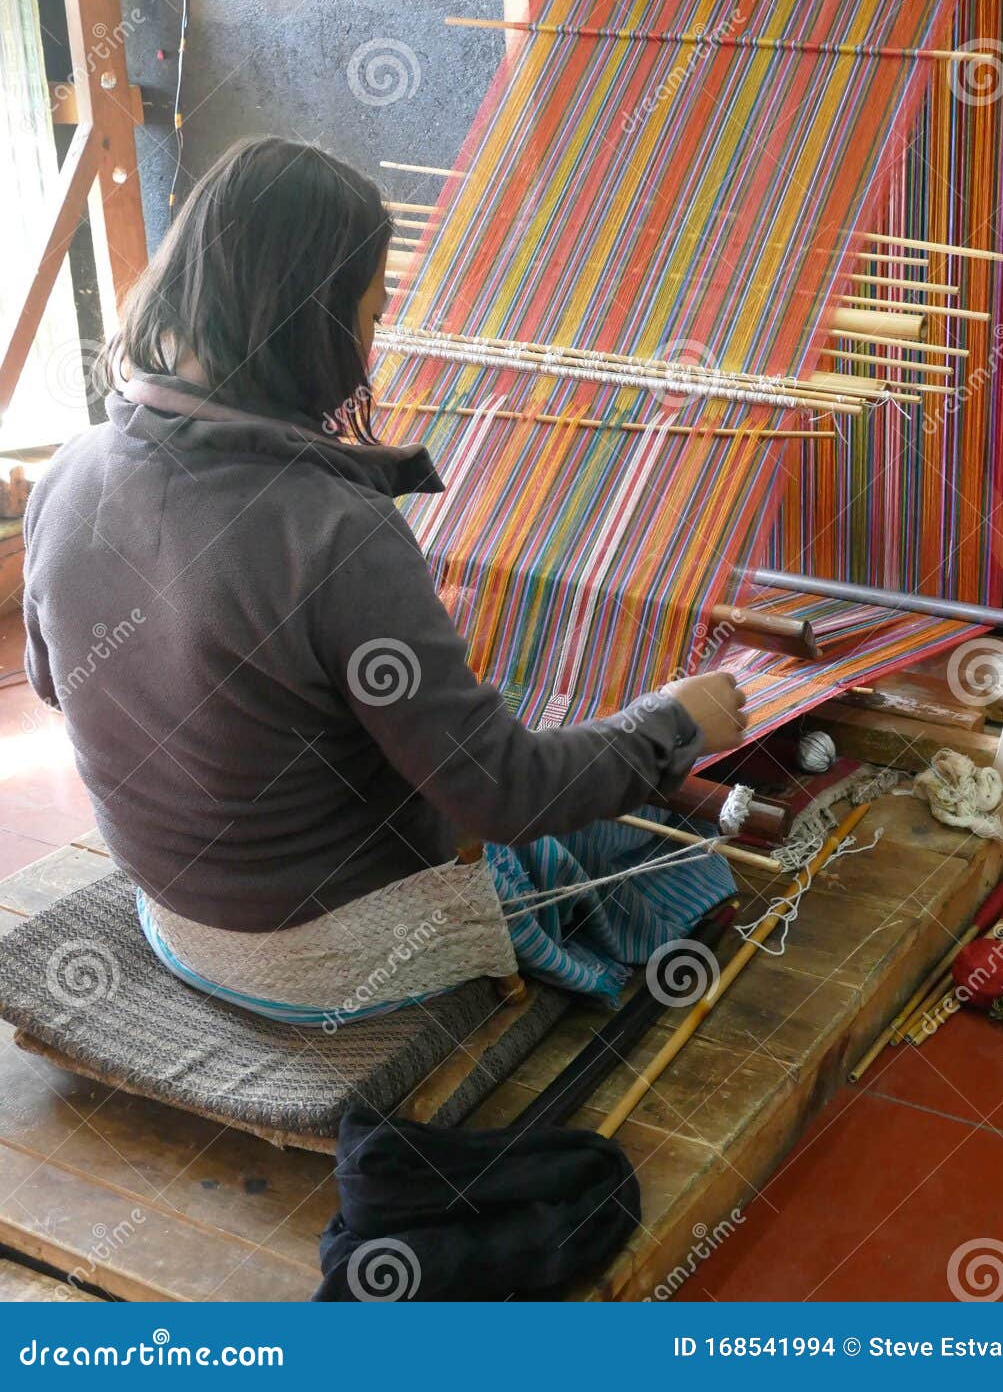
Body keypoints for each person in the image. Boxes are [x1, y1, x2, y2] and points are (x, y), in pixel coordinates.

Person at [22, 137, 746, 1020]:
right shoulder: (333, 532)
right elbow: (504, 791)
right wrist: (674, 722)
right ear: (313, 321)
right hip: (323, 957)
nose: (372, 341)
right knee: (631, 846)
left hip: (174, 916)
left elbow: (58, 685)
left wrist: (317, 665)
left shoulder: (69, 470)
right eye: (368, 313)